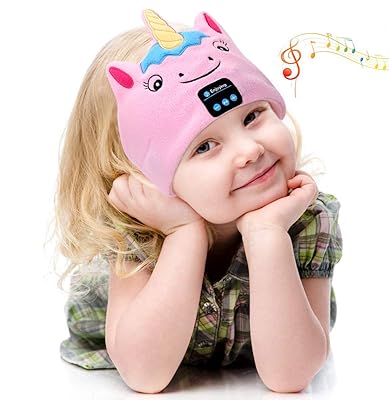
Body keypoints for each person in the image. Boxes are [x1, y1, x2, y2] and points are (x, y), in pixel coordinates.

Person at [55, 9, 343, 394]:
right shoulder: (137, 231)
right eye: (205, 146)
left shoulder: (305, 217)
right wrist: (183, 233)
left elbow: (291, 376)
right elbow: (145, 376)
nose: (250, 151)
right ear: (143, 176)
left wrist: (266, 234)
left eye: (252, 116)